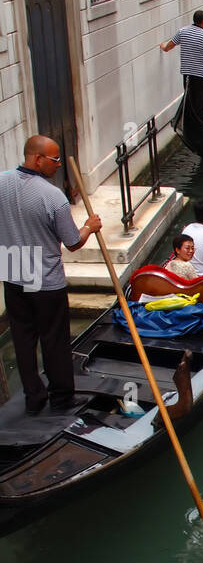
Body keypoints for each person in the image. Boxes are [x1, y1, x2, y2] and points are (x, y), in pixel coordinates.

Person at [0, 135, 102, 414]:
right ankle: (62, 399)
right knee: (54, 339)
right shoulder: (52, 196)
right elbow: (72, 242)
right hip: (44, 277)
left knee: (22, 337)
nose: (58, 164)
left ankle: (34, 397)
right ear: (37, 159)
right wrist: (89, 227)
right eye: (54, 159)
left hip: (13, 270)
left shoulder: (1, 181)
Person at [160, 10, 203, 123]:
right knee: (200, 101)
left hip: (187, 73)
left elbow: (170, 45)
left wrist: (164, 48)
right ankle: (199, 121)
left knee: (189, 97)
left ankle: (189, 120)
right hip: (201, 75)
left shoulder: (182, 31)